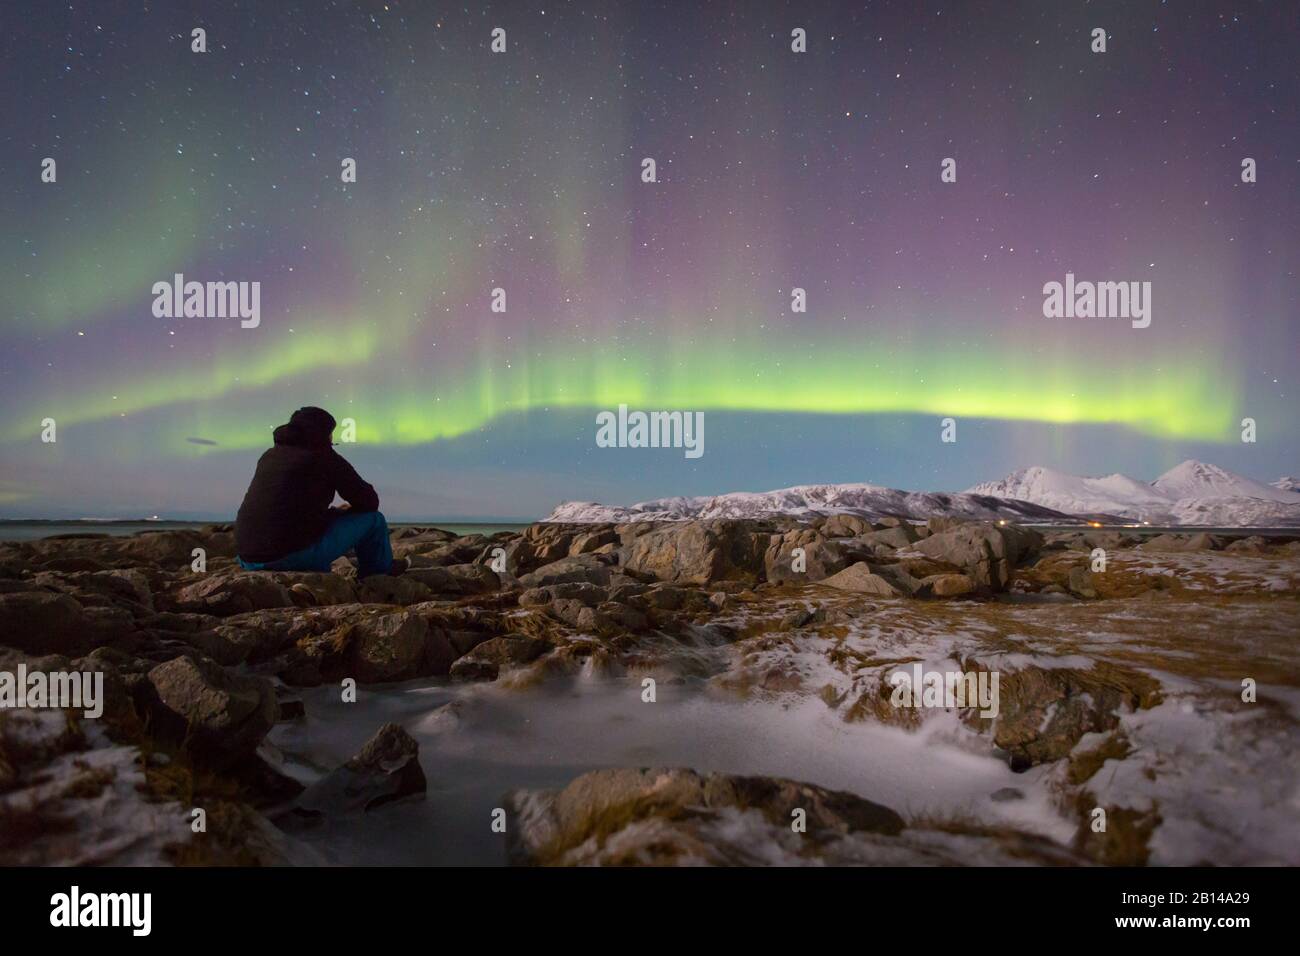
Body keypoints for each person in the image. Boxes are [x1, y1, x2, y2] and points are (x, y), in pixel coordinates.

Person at [234, 406, 406, 578]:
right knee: (374, 520)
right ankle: (378, 574)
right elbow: (369, 501)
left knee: (313, 529)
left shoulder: (269, 456)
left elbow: (287, 508)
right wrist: (348, 511)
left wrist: (335, 513)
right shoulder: (324, 456)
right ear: (322, 432)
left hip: (248, 559)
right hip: (289, 556)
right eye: (330, 433)